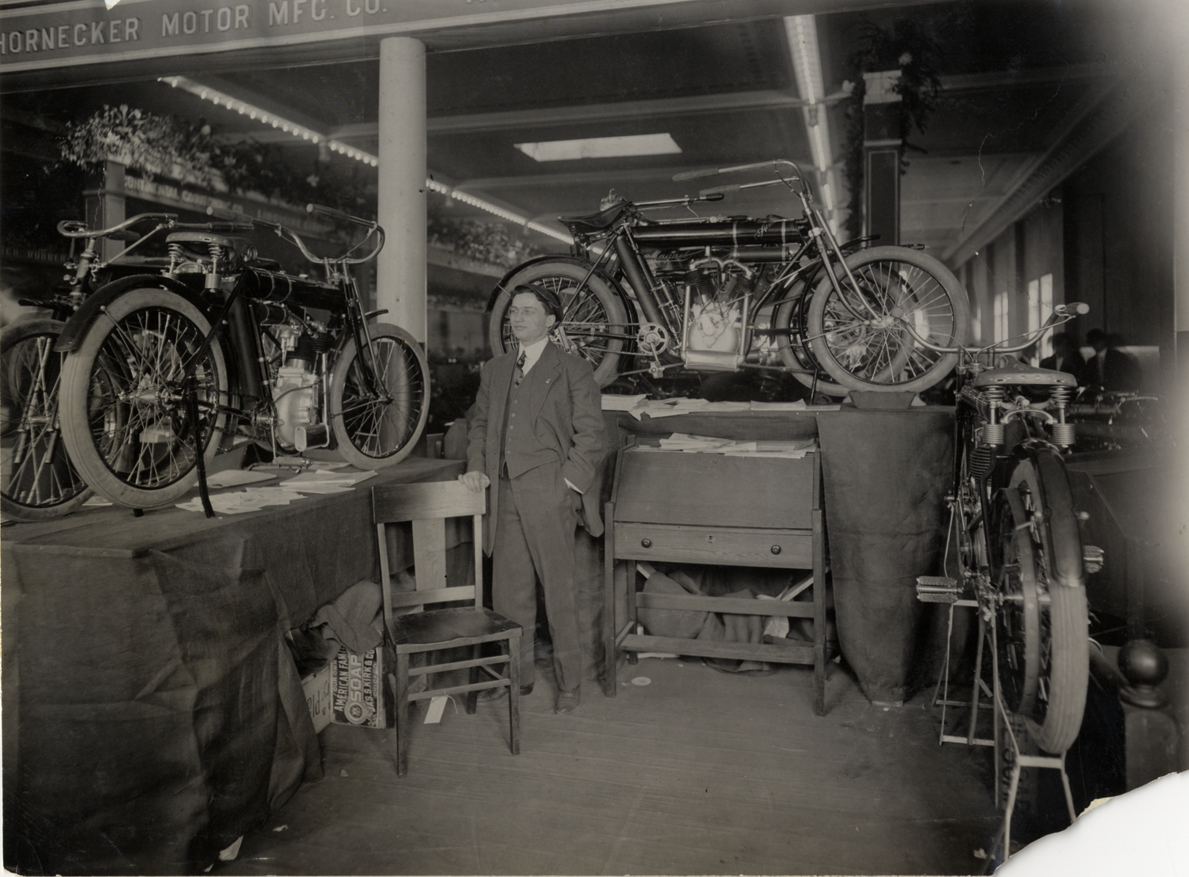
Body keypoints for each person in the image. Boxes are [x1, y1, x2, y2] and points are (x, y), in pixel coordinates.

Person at [459, 283, 606, 715]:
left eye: (527, 311)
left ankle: (570, 684)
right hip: (502, 492)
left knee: (559, 593)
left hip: (549, 491)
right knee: (510, 596)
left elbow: (591, 436)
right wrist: (476, 465)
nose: (516, 318)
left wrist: (567, 486)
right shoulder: (496, 369)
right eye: (514, 312)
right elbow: (480, 425)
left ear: (551, 321)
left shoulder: (574, 369)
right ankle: (517, 678)